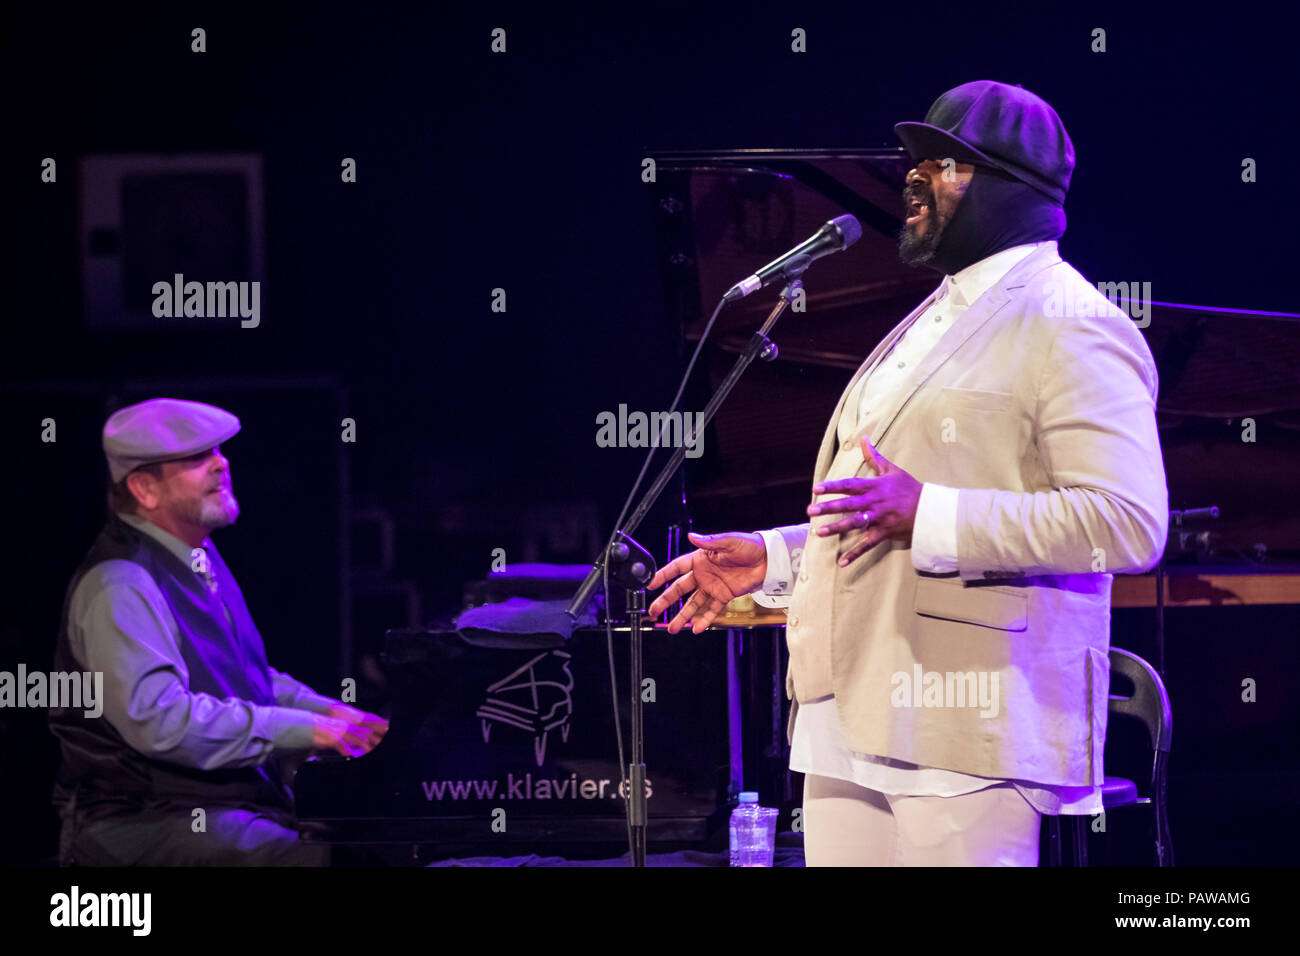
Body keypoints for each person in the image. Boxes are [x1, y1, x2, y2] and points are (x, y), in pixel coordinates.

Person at [648, 80, 1168, 866]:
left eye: (944, 162)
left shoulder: (1073, 322)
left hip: (965, 722)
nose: (912, 178)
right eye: (914, 159)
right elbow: (885, 502)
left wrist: (932, 515)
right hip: (843, 715)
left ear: (1014, 189)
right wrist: (779, 558)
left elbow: (1127, 521)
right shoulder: (928, 315)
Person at [49, 397, 388, 865]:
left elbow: (239, 677)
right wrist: (305, 730)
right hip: (138, 820)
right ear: (145, 489)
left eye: (219, 450)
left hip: (208, 806)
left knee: (366, 839)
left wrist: (331, 714)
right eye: (196, 457)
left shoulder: (195, 557)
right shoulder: (120, 582)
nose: (221, 463)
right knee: (319, 859)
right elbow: (160, 722)